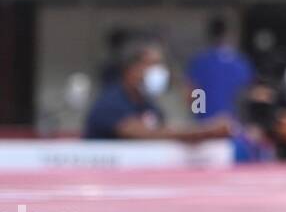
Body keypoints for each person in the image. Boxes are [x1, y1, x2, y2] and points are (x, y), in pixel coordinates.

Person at [85, 39, 234, 141]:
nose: (159, 72)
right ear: (130, 69)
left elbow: (165, 131)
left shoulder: (151, 107)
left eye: (160, 66)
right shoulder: (109, 104)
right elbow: (147, 134)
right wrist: (207, 131)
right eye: (152, 65)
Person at [185, 16, 254, 120]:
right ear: (230, 34)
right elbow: (248, 93)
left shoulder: (200, 61)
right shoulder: (241, 62)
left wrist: (198, 116)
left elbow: (192, 94)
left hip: (206, 125)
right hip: (232, 125)